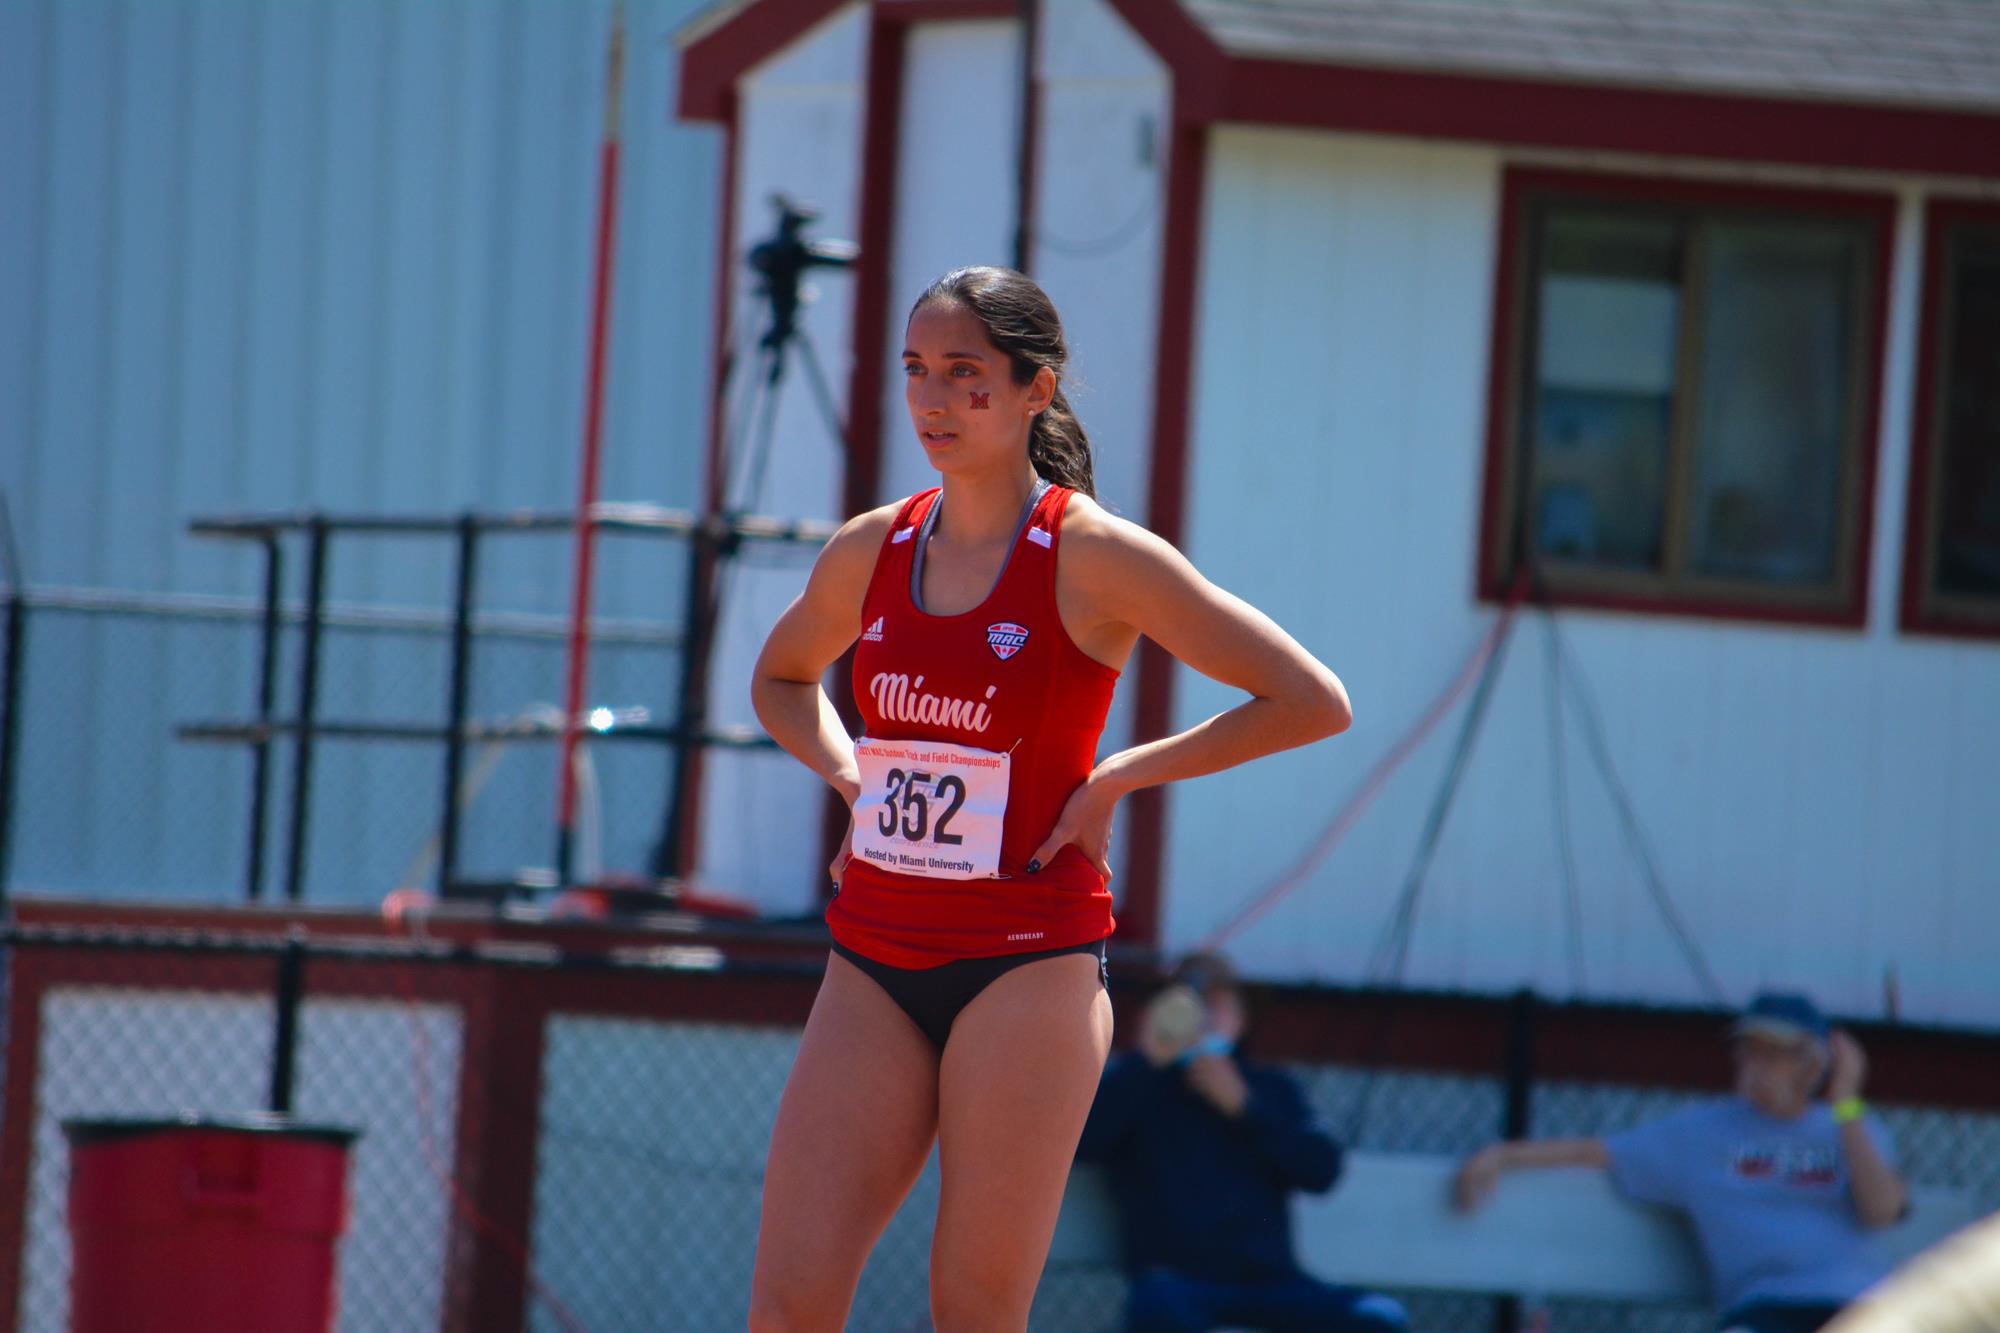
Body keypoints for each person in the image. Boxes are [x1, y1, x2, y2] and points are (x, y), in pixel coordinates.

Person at [746, 266, 1353, 1333]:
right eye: (916, 371)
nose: (933, 400)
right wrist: (852, 776)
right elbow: (781, 679)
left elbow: (1310, 700)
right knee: (790, 1301)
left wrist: (1120, 775)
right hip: (873, 957)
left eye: (965, 374)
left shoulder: (1091, 553)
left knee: (972, 1309)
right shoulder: (872, 547)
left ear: (1037, 389)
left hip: (1025, 967)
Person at [1455, 992, 1910, 1333]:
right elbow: (1598, 1152)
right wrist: (1503, 1155)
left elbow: (1882, 1211)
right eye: (1750, 1050)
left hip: (1858, 1308)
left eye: (1777, 1053)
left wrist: (1846, 1101)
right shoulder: (1702, 1133)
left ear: (1814, 1062)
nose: (1758, 1065)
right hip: (1765, 1310)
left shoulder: (1852, 1127)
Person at [1075, 952, 1409, 1333]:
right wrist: (1147, 1058)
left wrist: (1246, 1107)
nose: (1203, 1017)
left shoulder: (1270, 1088)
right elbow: (1081, 1142)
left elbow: (1322, 1170)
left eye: (1217, 1004)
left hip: (1273, 1285)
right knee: (1160, 1308)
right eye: (1193, 1003)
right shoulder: (1140, 1087)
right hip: (1180, 1284)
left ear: (1241, 1019)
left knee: (1378, 1318)